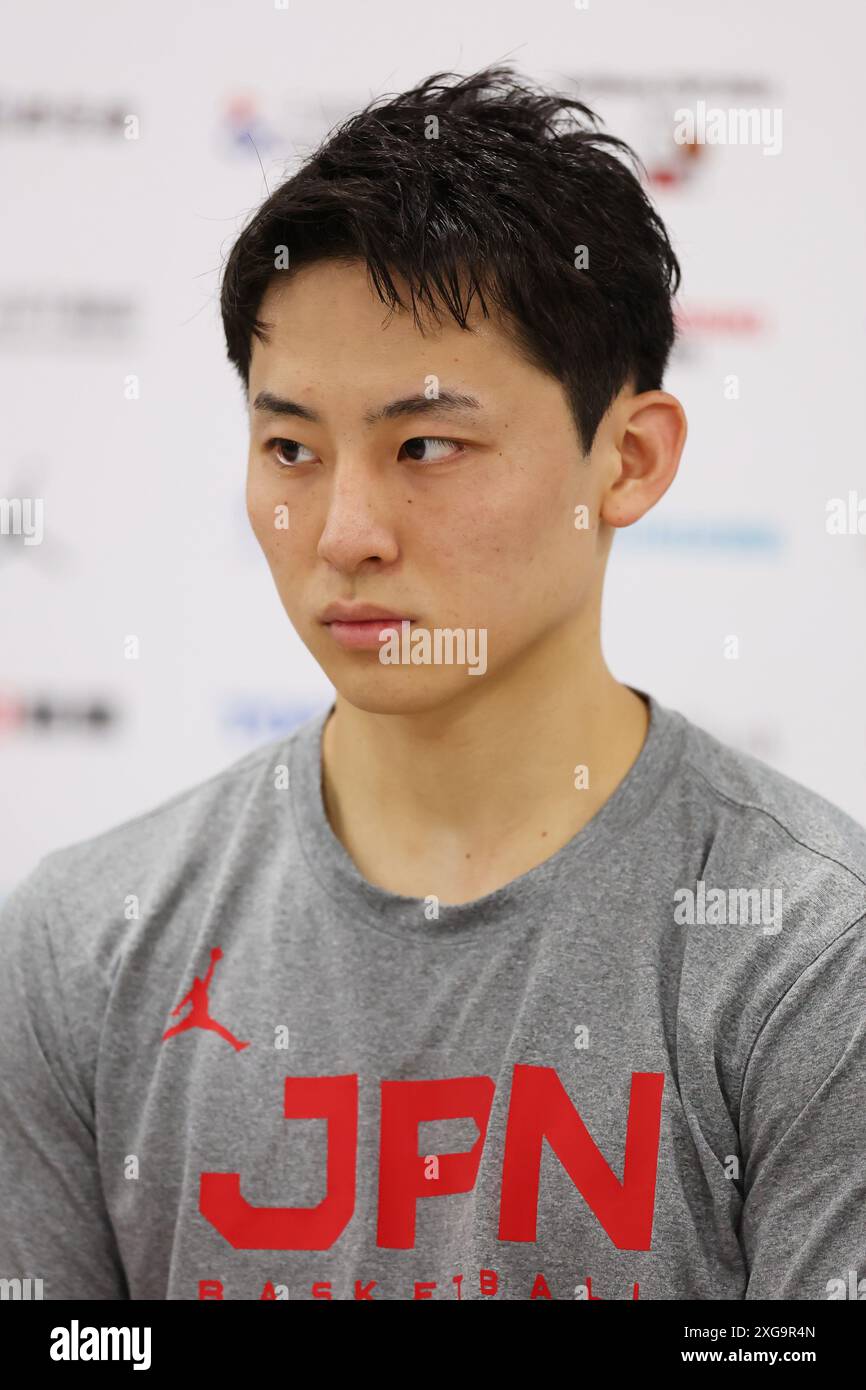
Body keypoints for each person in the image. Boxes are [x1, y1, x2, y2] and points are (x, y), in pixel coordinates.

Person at [1, 65, 864, 1302]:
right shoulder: (85, 942)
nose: (344, 528)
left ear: (625, 459)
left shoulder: (811, 958)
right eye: (290, 446)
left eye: (425, 447)